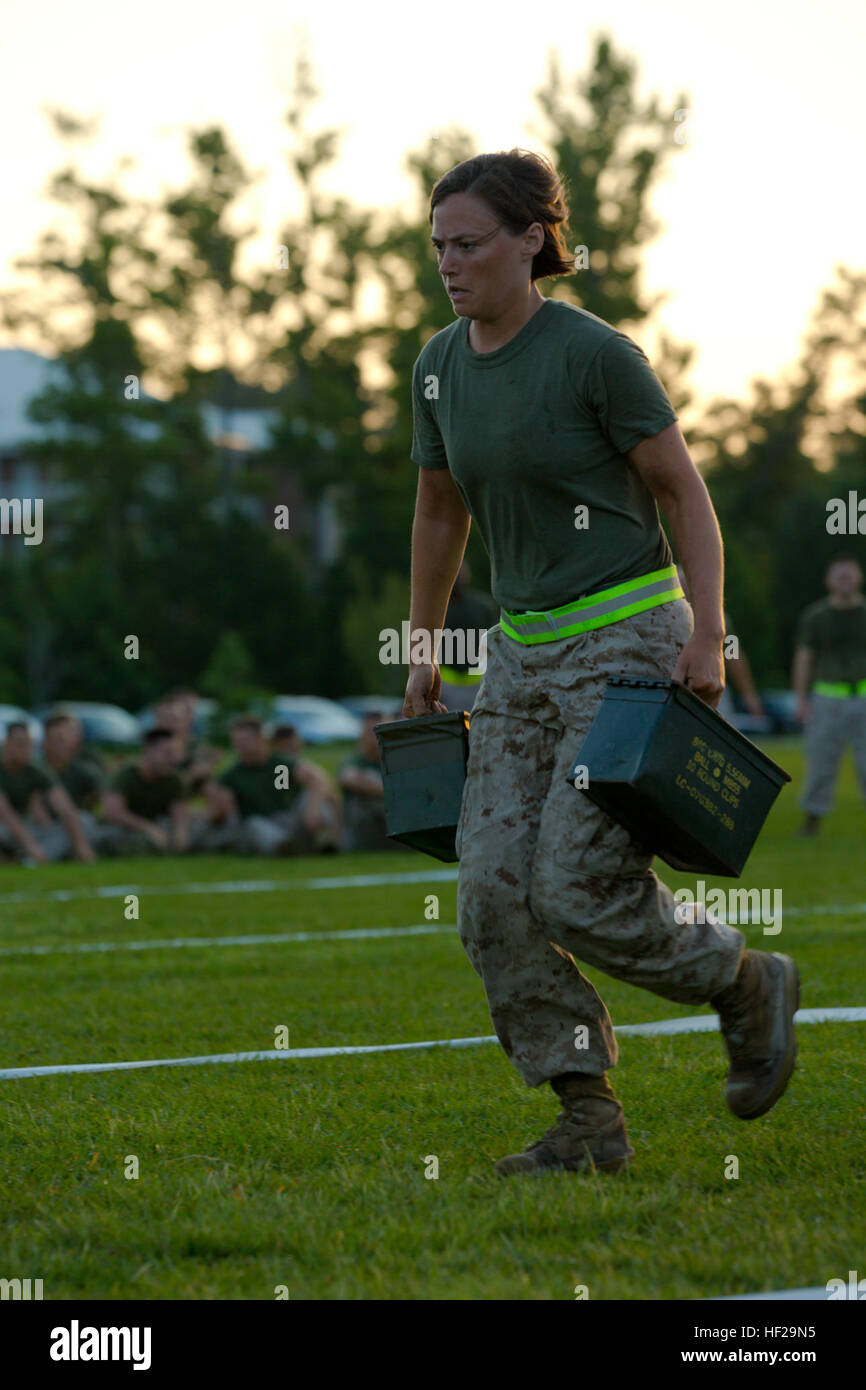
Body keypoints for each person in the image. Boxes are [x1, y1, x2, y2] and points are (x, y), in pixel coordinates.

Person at [404, 148, 800, 1177]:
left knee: (574, 886)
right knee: (490, 892)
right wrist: (422, 643)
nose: (448, 264)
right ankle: (587, 1118)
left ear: (531, 239)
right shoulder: (438, 365)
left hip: (626, 636)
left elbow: (680, 492)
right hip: (518, 655)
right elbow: (439, 508)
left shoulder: (594, 356)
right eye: (438, 245)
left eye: (469, 244)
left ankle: (743, 982)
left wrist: (706, 629)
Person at [792, 553, 866, 836]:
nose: (845, 578)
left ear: (859, 578)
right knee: (821, 764)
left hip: (863, 696)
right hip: (827, 700)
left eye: (850, 573)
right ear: (828, 581)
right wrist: (800, 698)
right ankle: (812, 820)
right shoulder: (816, 616)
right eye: (839, 574)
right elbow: (804, 657)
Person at [203, 714, 340, 855]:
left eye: (245, 740)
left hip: (290, 819)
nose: (240, 746)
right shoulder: (231, 776)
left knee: (311, 797)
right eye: (237, 742)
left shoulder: (281, 765)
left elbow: (319, 779)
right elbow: (220, 812)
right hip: (262, 826)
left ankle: (324, 841)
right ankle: (286, 848)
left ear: (260, 739)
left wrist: (313, 808)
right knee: (254, 824)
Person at [0, 721, 95, 863]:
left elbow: (64, 807)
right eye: (20, 743)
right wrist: (31, 846)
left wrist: (82, 847)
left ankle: (30, 859)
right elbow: (6, 813)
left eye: (29, 744)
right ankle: (32, 856)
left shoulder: (35, 770)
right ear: (6, 744)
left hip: (26, 827)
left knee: (84, 821)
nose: (26, 749)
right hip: (6, 828)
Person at [101, 728, 190, 855]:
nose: (173, 760)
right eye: (167, 754)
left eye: (174, 754)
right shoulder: (125, 776)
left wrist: (181, 835)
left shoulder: (174, 779)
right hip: (127, 829)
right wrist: (148, 828)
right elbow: (113, 813)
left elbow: (179, 813)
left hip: (159, 826)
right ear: (148, 751)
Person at [337, 711, 408, 852]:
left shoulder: (398, 760)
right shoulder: (354, 761)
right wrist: (392, 792)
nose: (373, 738)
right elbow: (348, 778)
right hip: (364, 827)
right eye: (369, 732)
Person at [438, 561, 499, 712]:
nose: (458, 578)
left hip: (476, 684)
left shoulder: (482, 607)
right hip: (446, 685)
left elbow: (495, 642)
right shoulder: (438, 609)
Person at [152, 689, 219, 797]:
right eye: (162, 719)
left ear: (186, 721)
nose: (166, 724)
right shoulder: (151, 749)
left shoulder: (197, 748)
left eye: (172, 719)